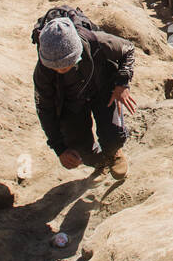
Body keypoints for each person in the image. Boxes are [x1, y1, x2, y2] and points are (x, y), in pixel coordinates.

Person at [33, 14, 138, 180]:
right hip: (71, 102)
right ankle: (100, 161)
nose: (61, 69)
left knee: (113, 137)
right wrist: (59, 148)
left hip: (102, 89)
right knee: (80, 151)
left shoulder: (97, 42)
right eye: (56, 67)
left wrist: (122, 83)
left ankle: (113, 152)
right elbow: (45, 109)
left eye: (66, 64)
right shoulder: (43, 74)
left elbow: (129, 49)